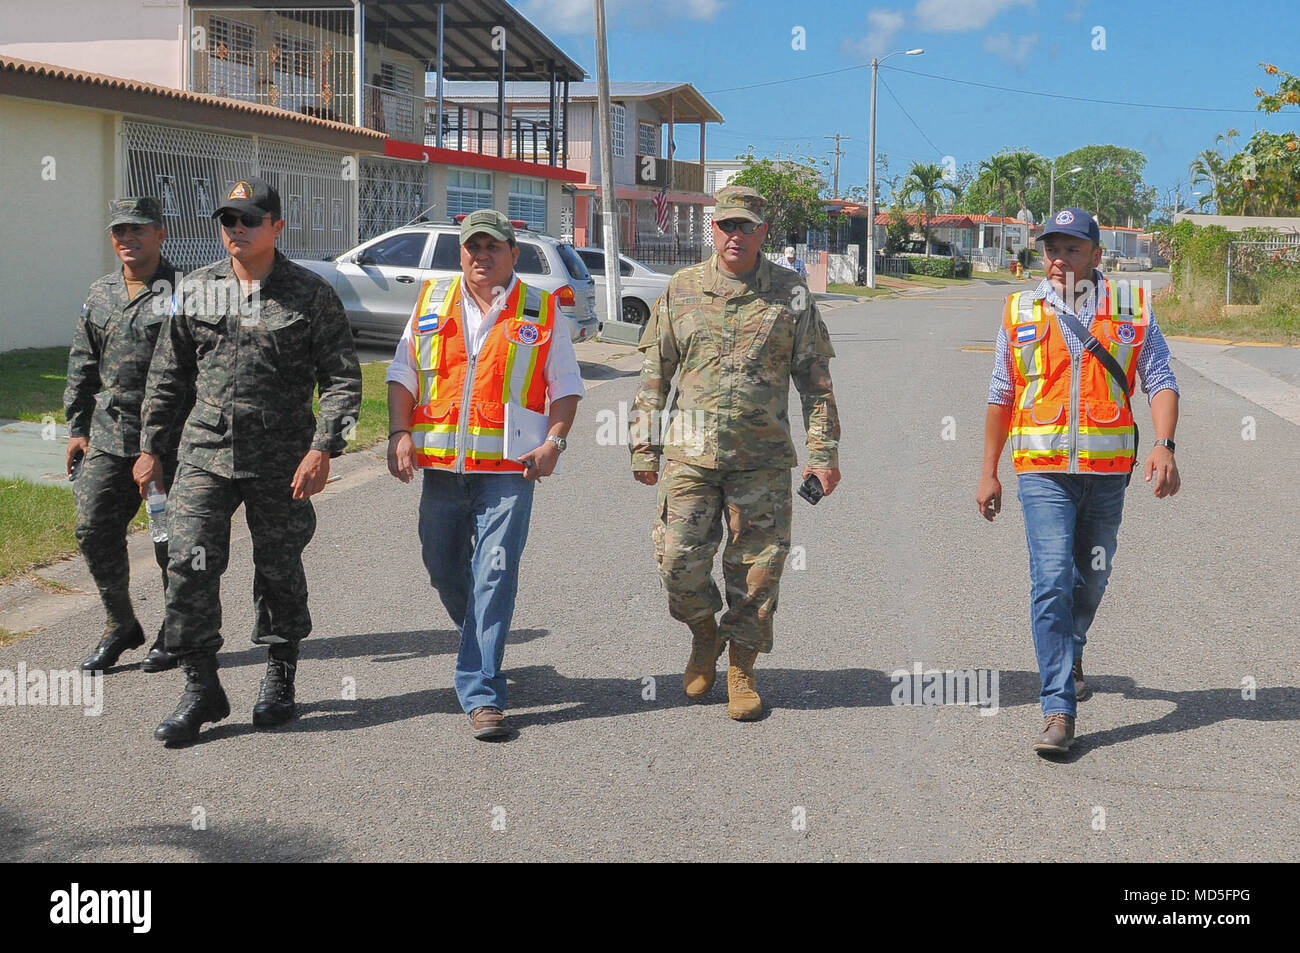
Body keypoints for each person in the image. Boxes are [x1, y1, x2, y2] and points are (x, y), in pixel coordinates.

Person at [135, 178, 362, 745]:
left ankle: (280, 675)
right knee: (187, 563)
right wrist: (149, 449)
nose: (236, 229)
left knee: (278, 567)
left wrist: (323, 447)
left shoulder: (310, 294)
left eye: (249, 220)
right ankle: (201, 685)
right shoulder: (196, 288)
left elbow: (342, 378)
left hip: (283, 458)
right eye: (228, 220)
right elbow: (168, 375)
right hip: (204, 454)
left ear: (276, 227)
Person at [630, 185, 841, 721]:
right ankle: (704, 632)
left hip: (762, 460)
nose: (736, 236)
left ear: (763, 232)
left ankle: (742, 668)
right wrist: (643, 443)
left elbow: (816, 384)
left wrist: (824, 454)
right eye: (727, 225)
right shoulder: (680, 290)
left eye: (747, 226)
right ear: (713, 229)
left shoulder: (792, 293)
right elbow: (656, 374)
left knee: (757, 572)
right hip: (690, 457)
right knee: (677, 561)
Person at [976, 207, 1181, 756]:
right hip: (1041, 472)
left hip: (1108, 473)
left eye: (1071, 248)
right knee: (1050, 581)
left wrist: (1163, 444)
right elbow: (1002, 392)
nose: (1059, 259)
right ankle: (1057, 707)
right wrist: (988, 471)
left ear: (1096, 253)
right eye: (1052, 248)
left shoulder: (1133, 307)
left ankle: (1072, 645)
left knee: (1090, 579)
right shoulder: (1021, 307)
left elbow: (1160, 378)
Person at [386, 209, 584, 740]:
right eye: (473, 246)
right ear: (462, 253)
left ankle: (482, 691)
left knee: (493, 574)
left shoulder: (540, 309)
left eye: (493, 247)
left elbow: (564, 384)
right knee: (443, 566)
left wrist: (555, 442)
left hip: (509, 472)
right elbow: (403, 372)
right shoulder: (431, 301)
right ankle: (480, 637)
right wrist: (397, 433)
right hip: (443, 470)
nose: (482, 255)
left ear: (513, 254)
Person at [67, 197, 183, 674]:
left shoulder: (187, 293)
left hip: (171, 441)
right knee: (93, 527)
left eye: (138, 230)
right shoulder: (101, 292)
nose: (127, 239)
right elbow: (82, 362)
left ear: (160, 233)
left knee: (169, 541)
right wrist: (75, 428)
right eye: (119, 232)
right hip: (110, 434)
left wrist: (156, 445)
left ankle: (175, 630)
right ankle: (121, 623)